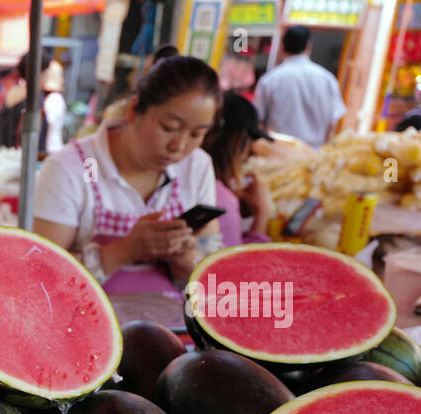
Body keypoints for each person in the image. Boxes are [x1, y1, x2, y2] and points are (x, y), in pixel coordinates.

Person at [34, 55, 222, 297]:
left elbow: (211, 274)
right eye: (169, 128)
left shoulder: (197, 166)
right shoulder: (71, 168)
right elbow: (42, 276)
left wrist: (184, 258)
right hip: (83, 321)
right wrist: (124, 251)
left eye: (197, 134)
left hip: (173, 325)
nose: (179, 146)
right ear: (134, 110)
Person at [254, 26, 346, 148]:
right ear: (309, 46)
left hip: (277, 154)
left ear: (282, 47)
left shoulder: (270, 80)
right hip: (314, 155)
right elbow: (332, 124)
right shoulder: (327, 79)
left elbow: (257, 121)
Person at [203, 92, 272, 246]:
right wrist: (262, 212)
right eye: (249, 143)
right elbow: (232, 265)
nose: (251, 153)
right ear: (237, 143)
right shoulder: (220, 200)